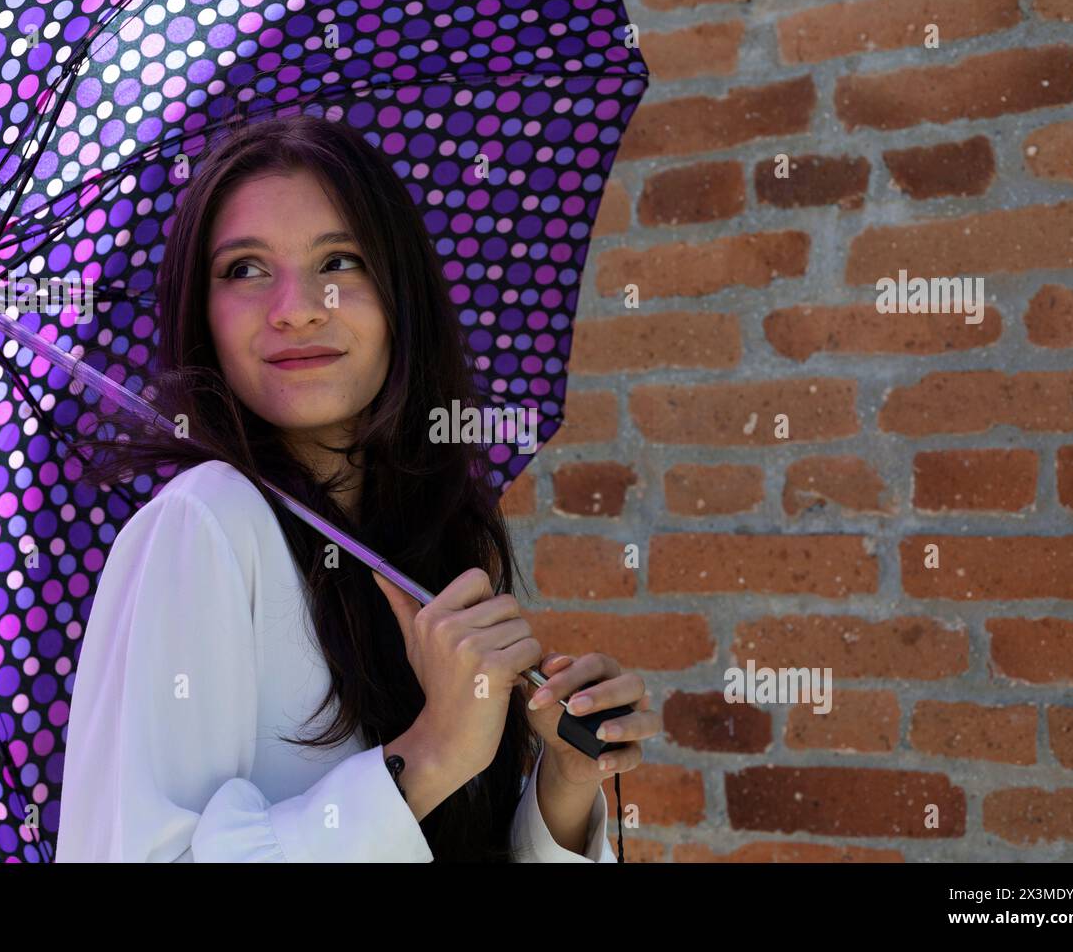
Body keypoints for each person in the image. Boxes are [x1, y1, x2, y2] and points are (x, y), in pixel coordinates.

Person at [55, 113, 661, 862]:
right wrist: (430, 753)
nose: (297, 307)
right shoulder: (204, 522)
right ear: (202, 315)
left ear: (398, 293)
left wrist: (562, 787)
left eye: (339, 261)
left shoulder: (432, 536)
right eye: (244, 269)